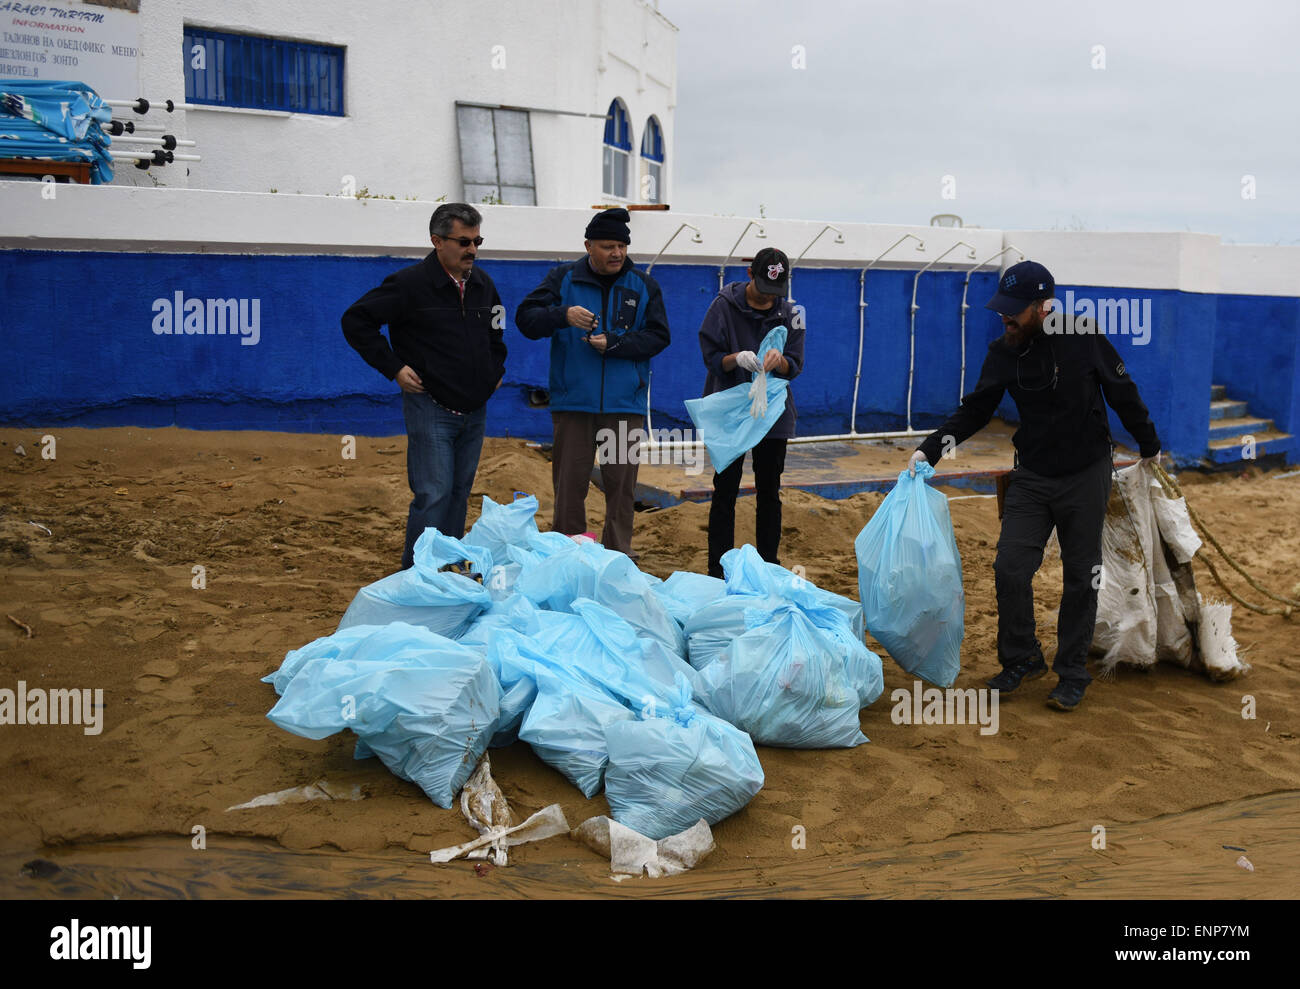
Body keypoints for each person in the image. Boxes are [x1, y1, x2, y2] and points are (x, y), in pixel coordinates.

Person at [909, 260, 1161, 712]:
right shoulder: (1003, 351)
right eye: (1002, 309)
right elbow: (975, 409)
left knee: (1082, 576)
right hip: (1033, 475)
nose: (1005, 318)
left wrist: (1149, 445)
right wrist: (929, 450)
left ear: (1043, 307)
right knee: (1009, 567)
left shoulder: (1083, 336)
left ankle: (1071, 672)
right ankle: (1022, 658)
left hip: (1086, 473)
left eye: (1015, 310)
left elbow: (1122, 391)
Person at [341, 202, 506, 570]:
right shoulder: (409, 285)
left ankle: (447, 568)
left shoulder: (483, 284)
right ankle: (417, 575)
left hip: (474, 409)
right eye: (463, 242)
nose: (473, 250)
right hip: (430, 406)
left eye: (477, 240)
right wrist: (394, 368)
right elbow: (356, 321)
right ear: (437, 241)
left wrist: (498, 369)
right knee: (433, 494)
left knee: (460, 493)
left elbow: (496, 331)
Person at [515, 207, 670, 557]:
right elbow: (526, 319)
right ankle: (569, 555)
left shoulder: (644, 285)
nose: (616, 253)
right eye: (607, 246)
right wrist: (562, 315)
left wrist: (616, 344)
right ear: (588, 246)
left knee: (621, 488)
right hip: (573, 405)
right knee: (570, 487)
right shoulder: (563, 278)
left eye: (621, 246)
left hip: (623, 406)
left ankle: (617, 557)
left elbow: (659, 337)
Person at [698, 247, 805, 578]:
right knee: (725, 489)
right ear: (749, 275)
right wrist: (737, 359)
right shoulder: (722, 307)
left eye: (776, 293)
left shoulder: (793, 312)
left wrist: (780, 360)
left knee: (769, 490)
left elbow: (795, 365)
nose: (768, 299)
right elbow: (711, 357)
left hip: (771, 412)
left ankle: (768, 564)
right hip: (731, 409)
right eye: (763, 290)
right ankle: (719, 568)